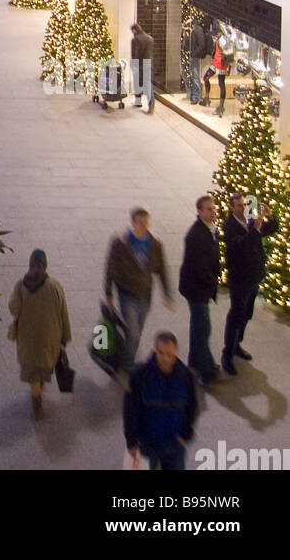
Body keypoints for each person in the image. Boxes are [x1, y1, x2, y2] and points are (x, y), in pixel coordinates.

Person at [104, 208, 173, 373]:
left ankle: (126, 353)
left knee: (137, 329)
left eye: (146, 222)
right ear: (133, 223)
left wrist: (167, 293)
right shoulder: (121, 242)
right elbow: (111, 267)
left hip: (145, 293)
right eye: (140, 222)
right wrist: (109, 292)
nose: (144, 226)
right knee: (134, 332)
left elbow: (161, 268)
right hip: (126, 293)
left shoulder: (155, 243)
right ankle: (128, 364)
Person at [7, 250, 71, 421]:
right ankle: (40, 386)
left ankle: (36, 401)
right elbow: (63, 313)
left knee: (32, 371)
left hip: (27, 338)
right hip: (50, 338)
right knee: (43, 366)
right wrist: (65, 336)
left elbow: (14, 309)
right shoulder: (55, 286)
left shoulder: (21, 285)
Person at [221, 192, 279, 375]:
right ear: (231, 207)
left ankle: (237, 344)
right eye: (238, 205)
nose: (243, 208)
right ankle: (227, 354)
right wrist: (256, 228)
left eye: (244, 204)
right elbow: (242, 246)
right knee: (236, 315)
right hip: (240, 280)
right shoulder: (229, 226)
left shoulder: (250, 220)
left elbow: (271, 229)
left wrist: (270, 216)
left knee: (247, 314)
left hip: (254, 277)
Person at [123, 332, 199, 471]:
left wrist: (185, 434)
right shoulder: (139, 376)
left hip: (174, 444)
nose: (165, 358)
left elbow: (192, 407)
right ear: (155, 351)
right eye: (161, 353)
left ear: (176, 352)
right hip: (147, 445)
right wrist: (132, 442)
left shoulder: (187, 377)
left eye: (169, 354)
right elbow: (130, 411)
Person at [179, 195, 221, 385]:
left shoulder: (210, 229)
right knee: (202, 329)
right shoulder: (196, 235)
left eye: (214, 208)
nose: (213, 212)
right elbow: (198, 267)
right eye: (209, 209)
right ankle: (204, 372)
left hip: (202, 288)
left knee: (201, 329)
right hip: (197, 289)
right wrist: (213, 281)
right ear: (199, 211)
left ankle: (200, 365)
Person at [203, 35, 232, 117]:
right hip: (216, 62)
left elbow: (229, 53)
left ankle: (221, 106)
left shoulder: (226, 39)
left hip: (222, 64)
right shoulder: (220, 37)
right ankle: (207, 98)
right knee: (206, 78)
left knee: (221, 84)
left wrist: (229, 66)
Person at [129, 23, 154, 112]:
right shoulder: (150, 38)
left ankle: (138, 101)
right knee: (148, 84)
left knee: (137, 83)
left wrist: (133, 65)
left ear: (134, 30)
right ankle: (151, 103)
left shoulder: (135, 40)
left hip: (139, 64)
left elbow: (134, 54)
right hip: (148, 63)